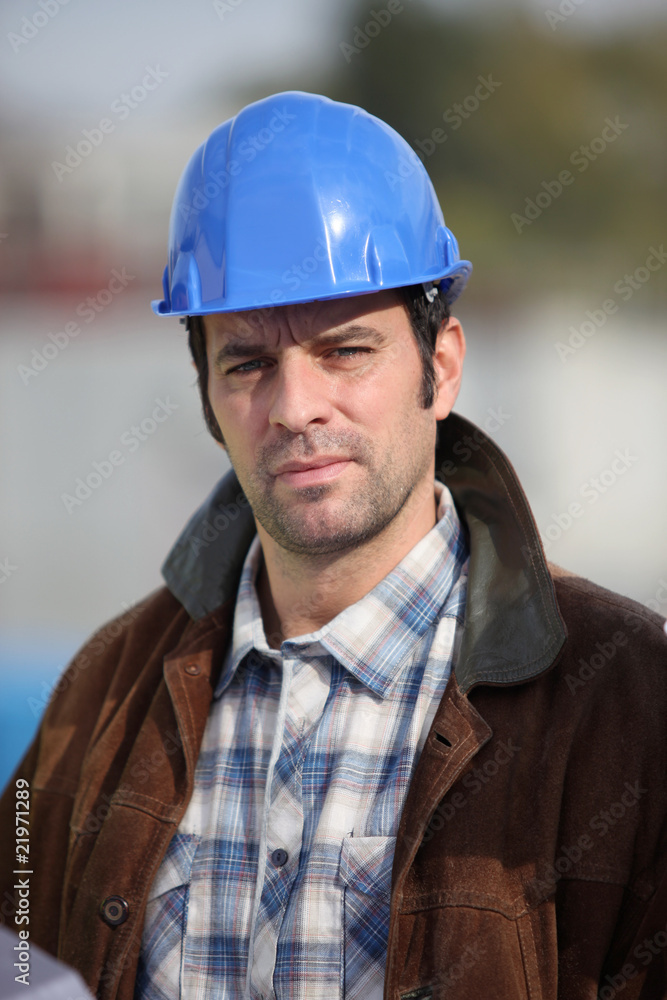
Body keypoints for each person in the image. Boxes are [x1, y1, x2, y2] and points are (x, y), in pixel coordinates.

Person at [1, 90, 666, 1000]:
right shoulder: (102, 692)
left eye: (345, 351)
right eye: (248, 362)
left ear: (440, 366)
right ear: (206, 397)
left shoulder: (628, 702)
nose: (295, 407)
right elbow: (18, 960)